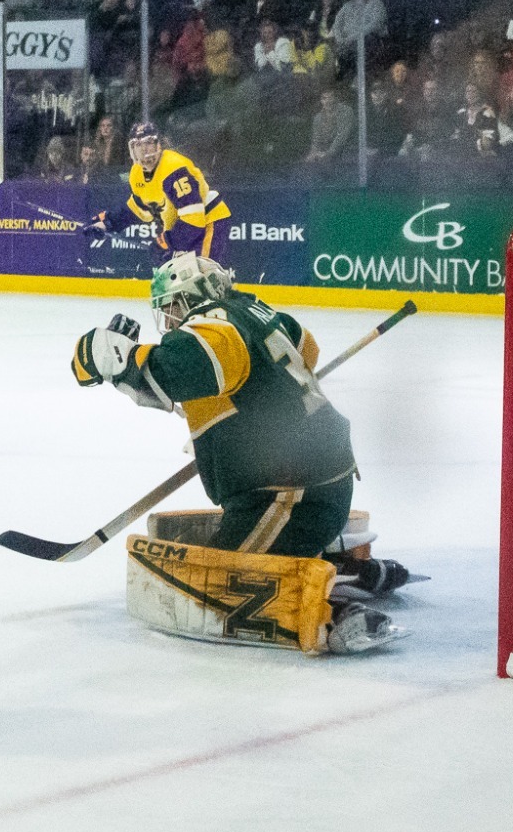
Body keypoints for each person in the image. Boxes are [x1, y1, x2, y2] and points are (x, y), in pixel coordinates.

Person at [69, 254, 411, 653]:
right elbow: (308, 350)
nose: (171, 317)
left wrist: (114, 357)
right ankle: (352, 569)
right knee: (229, 561)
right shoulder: (256, 309)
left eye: (173, 305)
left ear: (190, 297)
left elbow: (167, 374)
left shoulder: (211, 328)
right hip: (322, 478)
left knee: (222, 584)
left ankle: (333, 608)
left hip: (289, 494)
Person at [100, 122, 229, 259]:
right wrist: (106, 222)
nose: (144, 149)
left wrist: (166, 242)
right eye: (138, 144)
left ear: (158, 145)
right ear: (132, 149)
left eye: (149, 142)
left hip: (207, 220)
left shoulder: (174, 167)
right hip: (183, 228)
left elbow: (194, 219)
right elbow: (140, 210)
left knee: (201, 275)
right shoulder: (136, 173)